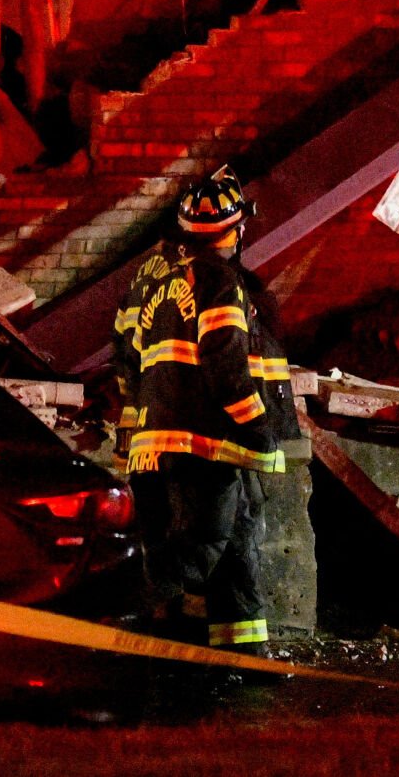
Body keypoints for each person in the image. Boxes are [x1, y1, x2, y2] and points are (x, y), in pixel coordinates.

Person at [111, 166, 292, 657]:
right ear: (235, 230)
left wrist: (139, 426)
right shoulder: (219, 281)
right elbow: (224, 363)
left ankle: (241, 661)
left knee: (235, 555)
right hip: (205, 448)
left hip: (154, 450)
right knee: (192, 558)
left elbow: (127, 362)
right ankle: (106, 630)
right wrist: (257, 425)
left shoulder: (149, 279)